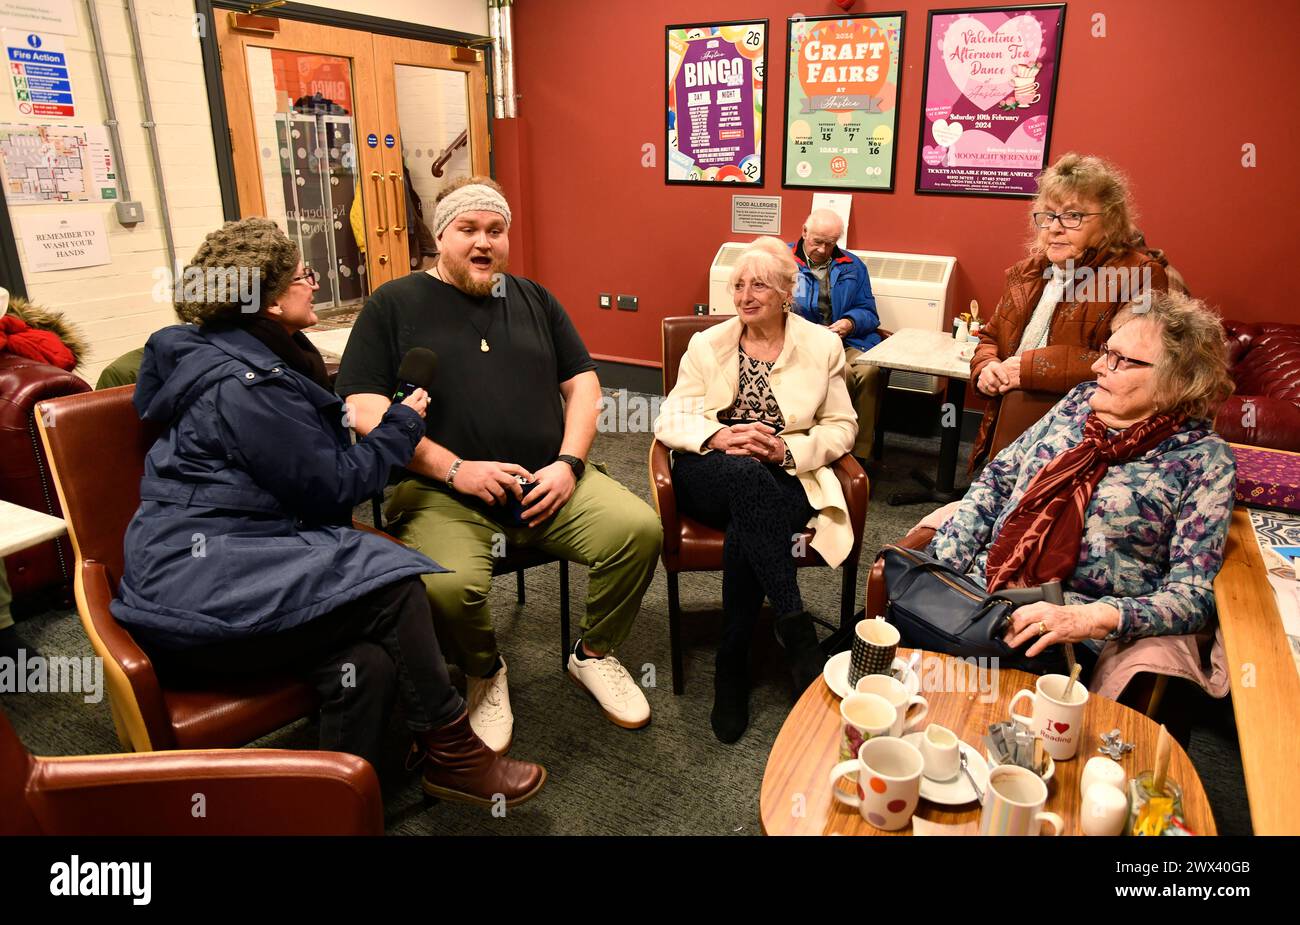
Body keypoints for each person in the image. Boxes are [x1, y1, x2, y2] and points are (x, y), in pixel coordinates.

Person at [111, 218, 545, 807]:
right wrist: (402, 426)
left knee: (364, 662)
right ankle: (455, 752)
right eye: (301, 276)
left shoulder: (242, 354)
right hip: (194, 597)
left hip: (232, 560)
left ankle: (340, 801)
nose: (314, 284)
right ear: (264, 299)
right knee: (390, 585)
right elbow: (332, 486)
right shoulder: (247, 385)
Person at [335, 177, 661, 752]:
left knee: (638, 531)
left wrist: (568, 463)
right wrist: (457, 469)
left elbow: (584, 384)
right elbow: (362, 407)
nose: (483, 242)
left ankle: (592, 655)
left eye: (495, 230)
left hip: (546, 482)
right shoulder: (393, 304)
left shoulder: (534, 298)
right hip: (442, 492)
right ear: (441, 236)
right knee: (447, 587)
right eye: (468, 230)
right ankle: (485, 670)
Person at [927, 292, 1236, 673]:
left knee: (973, 700)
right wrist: (944, 568)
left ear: (1177, 381)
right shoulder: (1079, 403)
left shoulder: (1203, 459)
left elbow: (1191, 596)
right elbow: (998, 479)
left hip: (1061, 629)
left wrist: (1089, 618)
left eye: (1120, 361)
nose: (1098, 367)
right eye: (1107, 351)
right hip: (982, 584)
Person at [654, 238, 857, 742]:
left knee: (752, 518)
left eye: (760, 284)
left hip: (786, 473)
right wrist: (720, 436)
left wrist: (788, 453)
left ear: (788, 291)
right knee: (744, 476)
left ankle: (732, 662)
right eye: (739, 285)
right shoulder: (708, 344)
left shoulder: (823, 346)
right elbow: (671, 416)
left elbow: (841, 426)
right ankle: (795, 628)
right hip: (709, 470)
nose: (746, 295)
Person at [970, 153, 1172, 471]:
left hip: (1079, 440)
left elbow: (1132, 366)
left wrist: (1030, 367)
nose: (1055, 228)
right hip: (1007, 428)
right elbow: (990, 336)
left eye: (1073, 216)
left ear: (1110, 221)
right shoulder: (1026, 272)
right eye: (1047, 216)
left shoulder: (1139, 275)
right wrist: (987, 367)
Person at [790, 208, 882, 462]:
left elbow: (869, 312)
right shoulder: (783, 260)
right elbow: (777, 310)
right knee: (845, 374)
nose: (822, 249)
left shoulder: (853, 265)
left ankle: (858, 456)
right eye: (817, 242)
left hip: (846, 340)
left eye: (829, 244)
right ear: (804, 232)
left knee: (870, 371)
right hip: (803, 344)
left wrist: (849, 323)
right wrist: (810, 332)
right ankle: (832, 446)